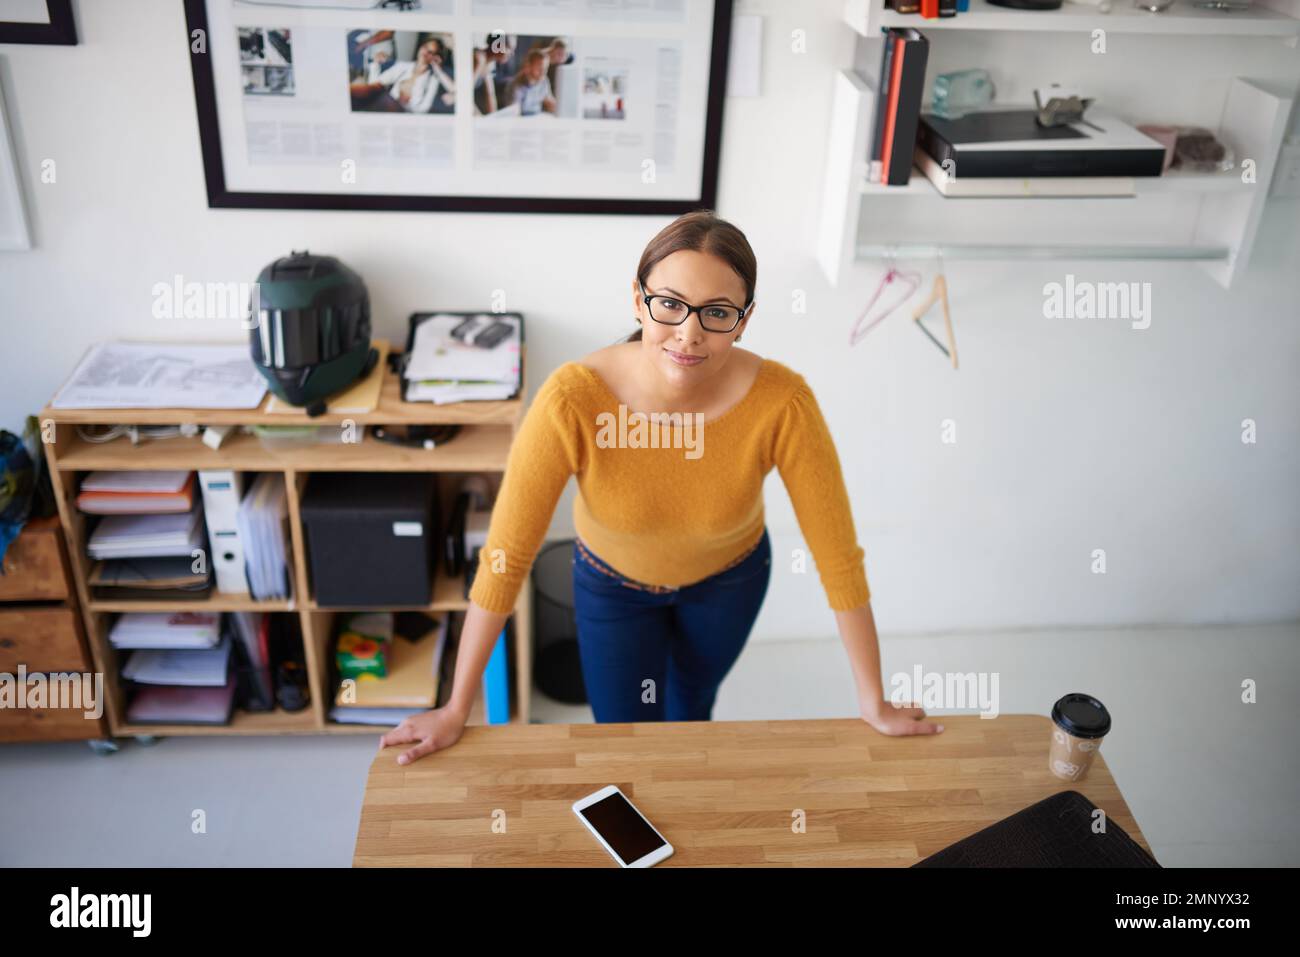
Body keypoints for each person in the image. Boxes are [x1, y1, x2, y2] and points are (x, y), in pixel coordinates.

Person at [381, 211, 944, 766]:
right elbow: (504, 558)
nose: (689, 333)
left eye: (716, 312)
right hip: (611, 588)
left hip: (729, 583)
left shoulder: (783, 403)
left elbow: (838, 556)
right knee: (624, 737)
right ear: (638, 299)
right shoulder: (572, 400)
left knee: (690, 712)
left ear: (743, 320)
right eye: (670, 304)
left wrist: (873, 700)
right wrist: (457, 707)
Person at [351, 35, 454, 114]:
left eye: (431, 52)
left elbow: (423, 109)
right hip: (383, 110)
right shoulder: (402, 66)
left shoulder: (433, 79)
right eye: (425, 47)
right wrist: (375, 64)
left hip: (406, 120)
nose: (426, 52)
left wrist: (437, 69)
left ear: (436, 58)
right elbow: (374, 86)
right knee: (359, 86)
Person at [507, 49, 555, 116]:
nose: (543, 72)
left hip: (537, 117)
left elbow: (549, 101)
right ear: (528, 66)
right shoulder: (516, 84)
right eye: (539, 67)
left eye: (545, 68)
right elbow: (513, 113)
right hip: (521, 120)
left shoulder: (544, 80)